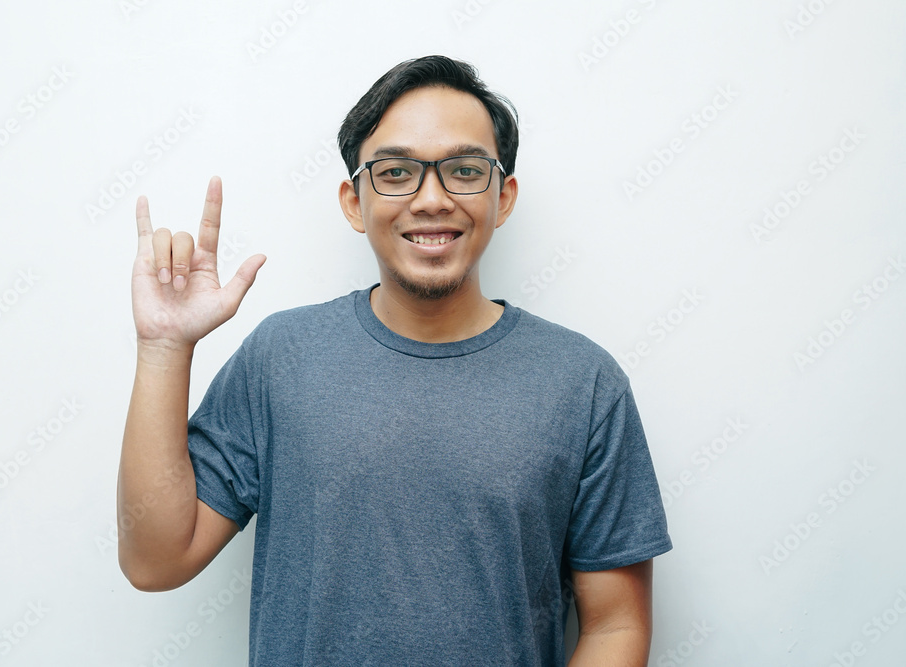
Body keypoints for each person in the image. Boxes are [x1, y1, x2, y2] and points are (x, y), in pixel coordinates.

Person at [118, 55, 672, 666]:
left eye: (464, 170)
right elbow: (155, 561)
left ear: (503, 196)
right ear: (354, 202)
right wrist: (164, 349)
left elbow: (616, 627)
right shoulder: (282, 359)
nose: (431, 199)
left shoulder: (583, 383)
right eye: (396, 172)